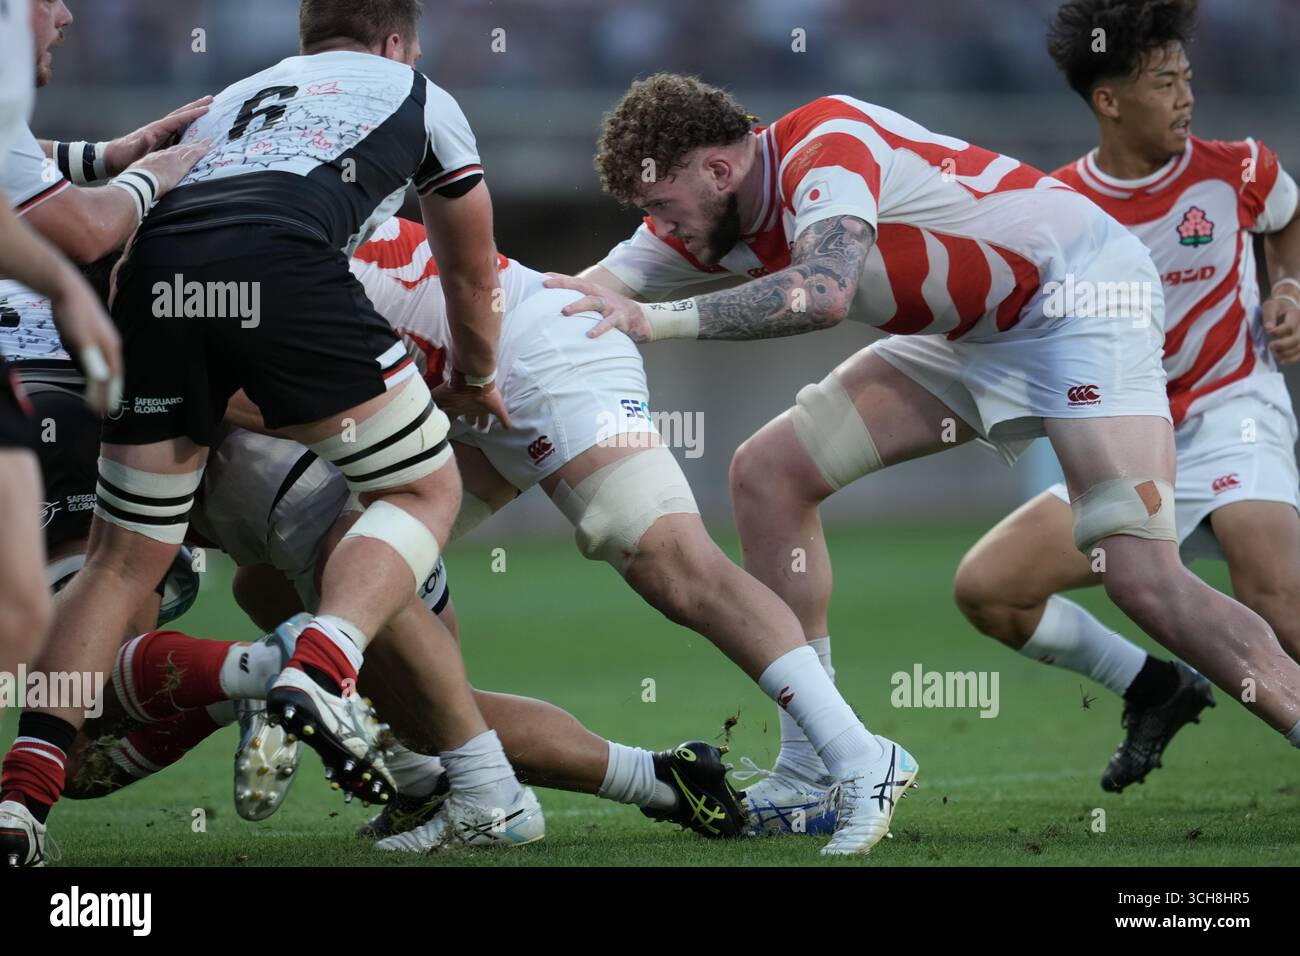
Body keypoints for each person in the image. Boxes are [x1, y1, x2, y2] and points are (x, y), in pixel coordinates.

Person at [547, 70, 1300, 835]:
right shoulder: (694, 217)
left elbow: (825, 290)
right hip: (975, 331)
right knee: (768, 475)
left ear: (717, 168)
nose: (660, 228)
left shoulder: (826, 143)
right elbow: (572, 302)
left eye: (662, 205)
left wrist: (656, 321)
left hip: (1077, 298)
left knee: (1143, 579)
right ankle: (813, 769)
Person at [0, 0, 522, 868]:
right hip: (281, 262)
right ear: (397, 42)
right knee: (425, 486)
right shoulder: (418, 90)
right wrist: (473, 379)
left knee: (118, 562)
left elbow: (100, 221)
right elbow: (469, 271)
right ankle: (318, 669)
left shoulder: (236, 91)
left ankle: (20, 803)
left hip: (155, 276)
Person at [953, 0, 1300, 792]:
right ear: (1108, 100)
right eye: (1164, 82)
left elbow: (1289, 219)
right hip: (1132, 441)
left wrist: (1292, 291)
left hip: (1231, 407)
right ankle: (1156, 686)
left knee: (1276, 593)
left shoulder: (1240, 168)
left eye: (1187, 78)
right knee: (989, 590)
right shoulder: (1059, 208)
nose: (1185, 97)